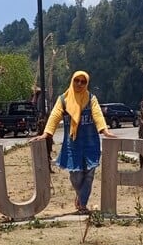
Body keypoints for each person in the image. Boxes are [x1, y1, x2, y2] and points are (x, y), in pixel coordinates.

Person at [31, 70, 115, 214]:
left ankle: (82, 204)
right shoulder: (63, 99)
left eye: (83, 82)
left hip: (91, 143)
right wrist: (46, 134)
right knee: (76, 176)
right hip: (73, 144)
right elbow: (55, 115)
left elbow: (97, 115)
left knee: (89, 175)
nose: (79, 84)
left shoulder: (91, 99)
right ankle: (80, 196)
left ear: (86, 83)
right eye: (77, 80)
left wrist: (105, 130)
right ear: (72, 81)